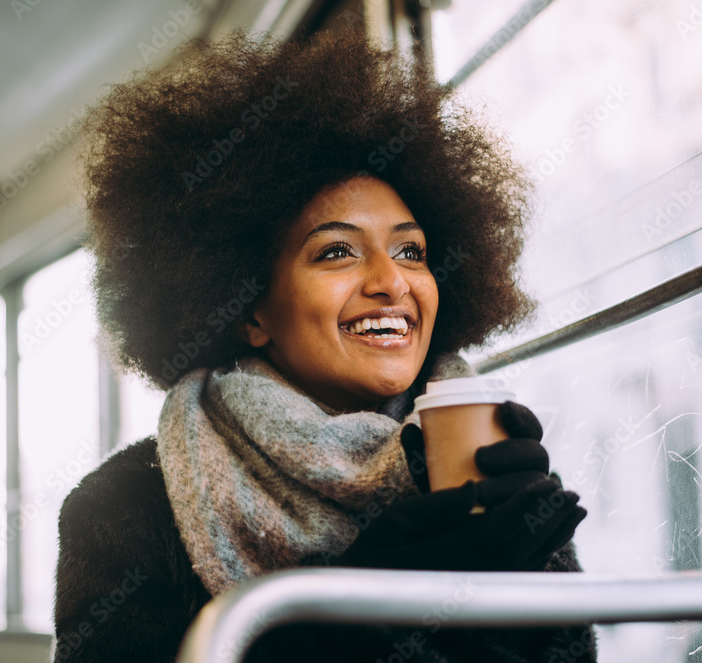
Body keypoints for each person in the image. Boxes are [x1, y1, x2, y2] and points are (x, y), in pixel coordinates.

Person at [53, 27, 596, 663]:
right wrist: (353, 619)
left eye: (411, 251)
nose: (392, 281)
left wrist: (522, 590)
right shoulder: (124, 506)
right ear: (249, 311)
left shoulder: (486, 467)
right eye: (337, 251)